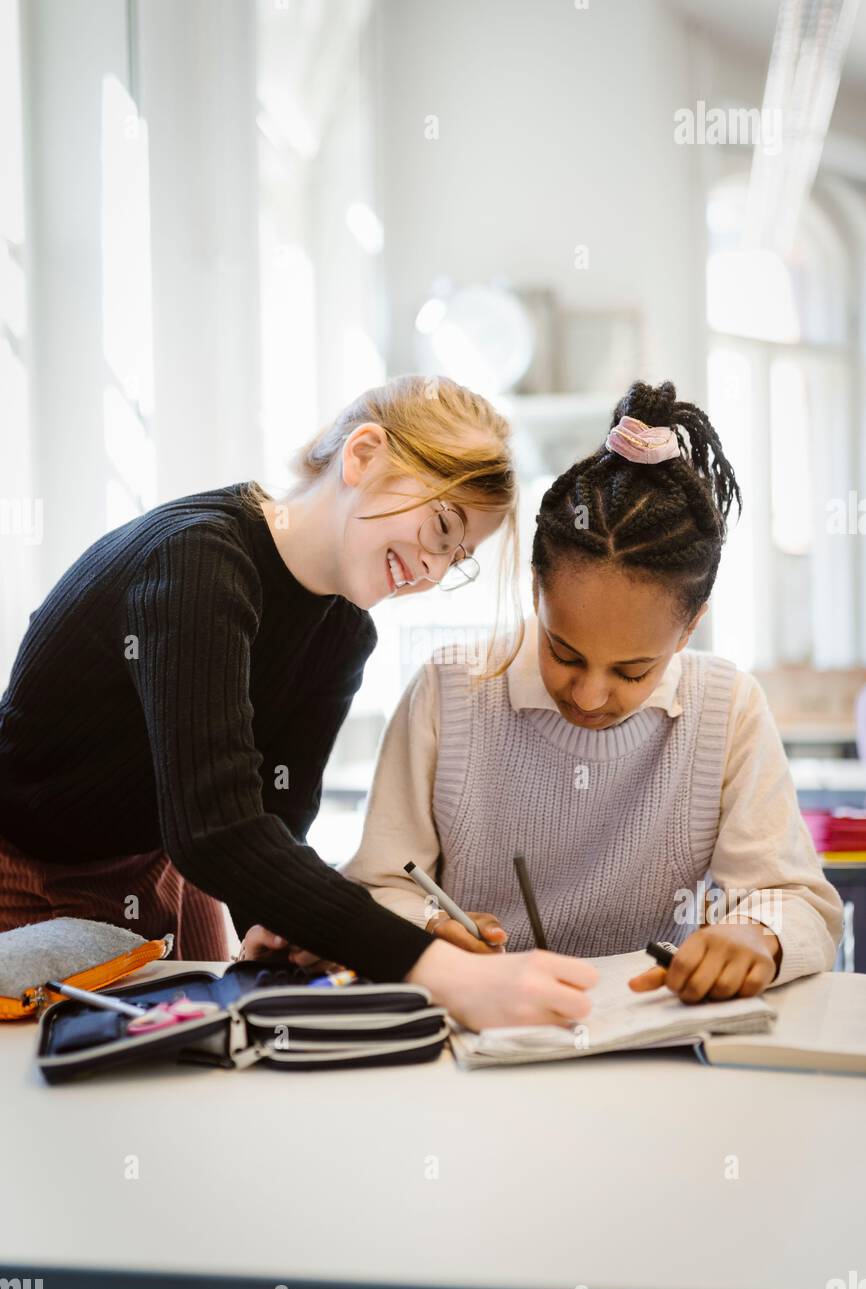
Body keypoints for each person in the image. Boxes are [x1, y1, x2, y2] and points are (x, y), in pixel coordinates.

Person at [0, 374, 596, 1033]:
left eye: (457, 559)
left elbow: (275, 821)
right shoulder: (198, 562)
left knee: (204, 1062)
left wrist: (276, 926)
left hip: (157, 865)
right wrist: (445, 971)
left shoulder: (344, 632)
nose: (431, 572)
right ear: (363, 454)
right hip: (23, 864)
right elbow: (218, 832)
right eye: (441, 527)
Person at [341, 380, 843, 1004]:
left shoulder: (727, 706)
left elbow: (800, 903)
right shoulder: (451, 690)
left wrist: (756, 934)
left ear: (690, 626)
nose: (590, 695)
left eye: (633, 671)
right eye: (564, 652)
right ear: (534, 590)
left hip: (655, 1035)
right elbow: (377, 885)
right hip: (485, 1033)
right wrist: (425, 926)